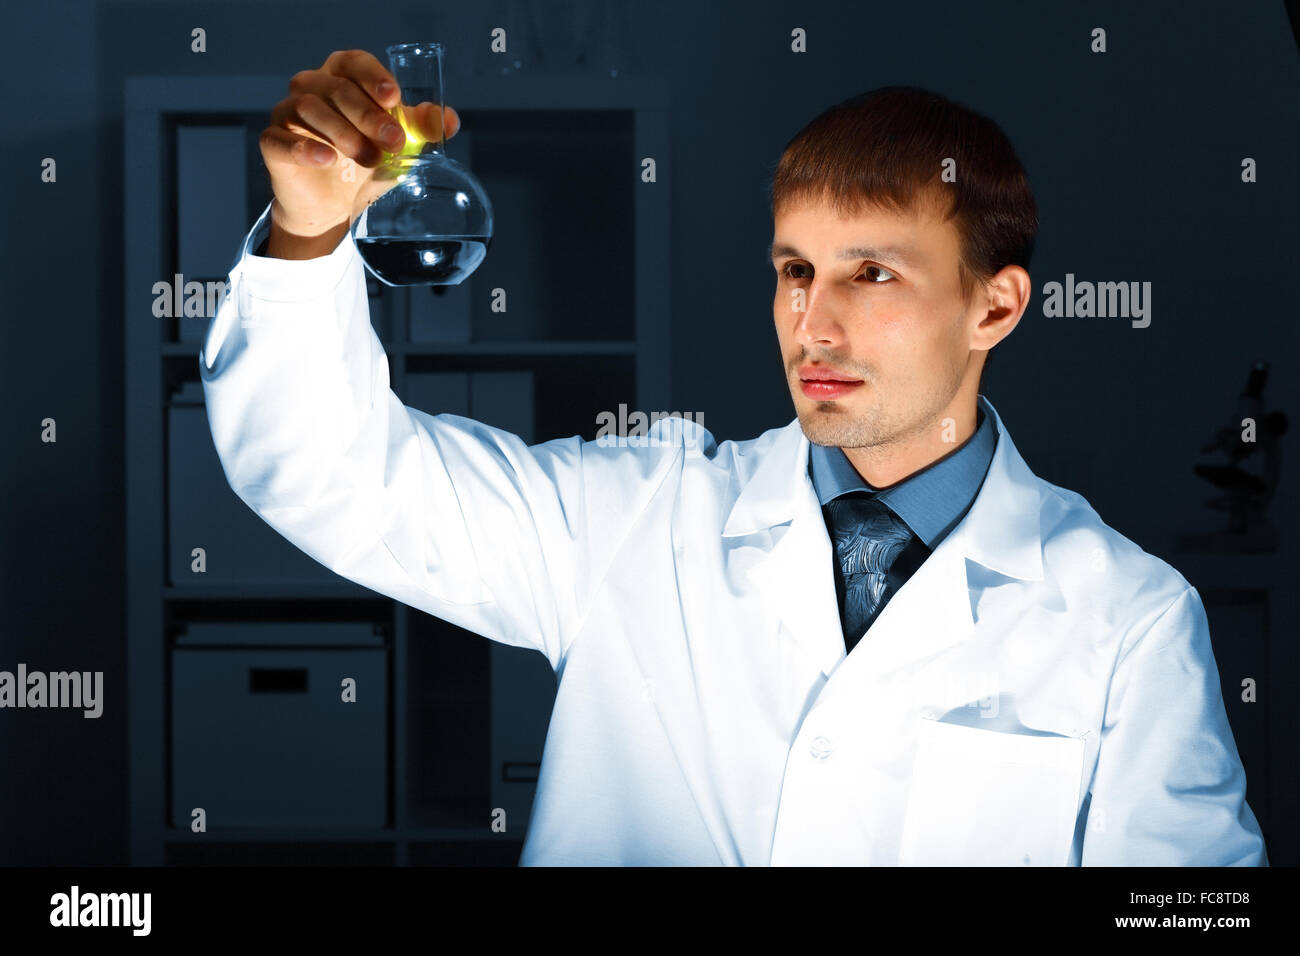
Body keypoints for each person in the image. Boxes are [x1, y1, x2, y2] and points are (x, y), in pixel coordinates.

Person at [201, 49, 1267, 866]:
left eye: (874, 275)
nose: (814, 323)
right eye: (795, 268)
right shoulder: (633, 518)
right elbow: (332, 475)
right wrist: (306, 237)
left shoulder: (1126, 614)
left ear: (996, 304)